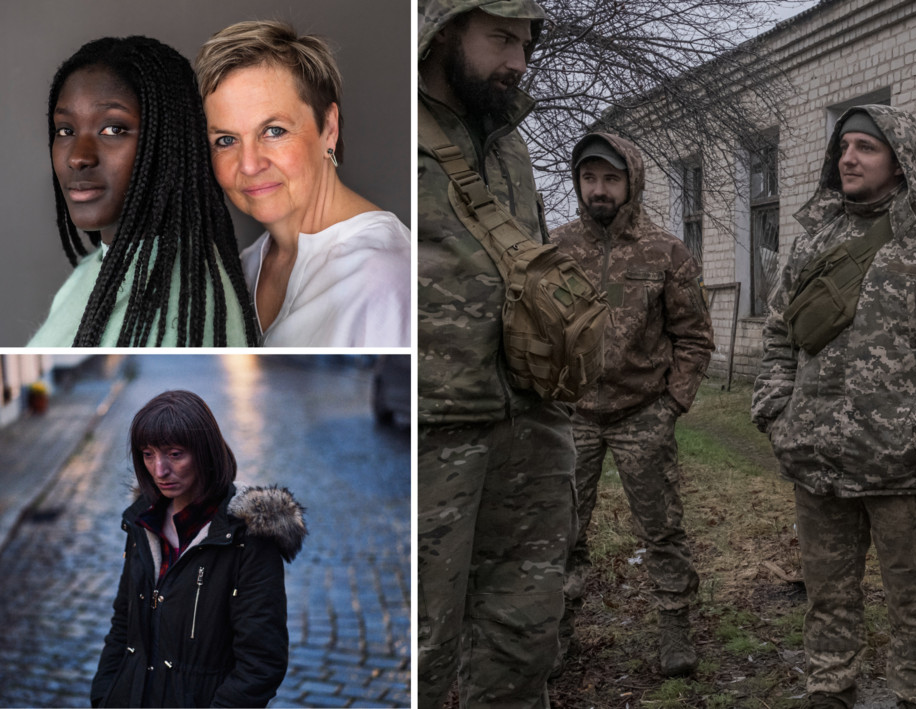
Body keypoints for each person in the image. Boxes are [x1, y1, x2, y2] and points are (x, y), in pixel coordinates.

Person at [752, 105, 916, 709]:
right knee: (828, 599)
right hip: (817, 461)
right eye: (844, 146)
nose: (848, 158)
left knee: (915, 602)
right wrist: (779, 414)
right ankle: (829, 693)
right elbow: (778, 336)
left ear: (901, 163)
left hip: (904, 469)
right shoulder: (811, 243)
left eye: (866, 148)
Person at [417, 1, 576, 706]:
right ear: (446, 29)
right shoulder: (385, 125)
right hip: (428, 428)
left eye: (526, 43)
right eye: (501, 39)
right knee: (417, 646)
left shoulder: (510, 143)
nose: (518, 61)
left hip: (529, 420)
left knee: (523, 633)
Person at [549, 133, 715, 678]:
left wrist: (672, 404)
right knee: (564, 529)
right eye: (590, 178)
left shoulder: (665, 251)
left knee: (661, 526)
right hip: (574, 416)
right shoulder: (556, 249)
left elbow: (694, 336)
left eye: (610, 179)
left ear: (631, 183)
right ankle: (559, 632)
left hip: (643, 412)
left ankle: (674, 628)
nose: (599, 190)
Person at [29, 36, 259, 347]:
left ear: (169, 145)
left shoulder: (184, 299)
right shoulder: (91, 271)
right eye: (66, 130)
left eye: (113, 129)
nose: (78, 157)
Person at [195, 20, 410, 347]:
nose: (250, 165)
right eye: (226, 140)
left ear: (329, 128)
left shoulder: (383, 278)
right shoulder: (241, 269)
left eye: (274, 131)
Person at [90, 390, 306, 707]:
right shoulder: (142, 522)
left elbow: (261, 663)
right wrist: (104, 695)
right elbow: (123, 624)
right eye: (148, 454)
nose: (159, 470)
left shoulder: (249, 539)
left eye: (175, 454)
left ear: (205, 454)